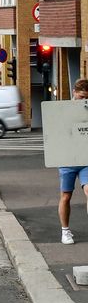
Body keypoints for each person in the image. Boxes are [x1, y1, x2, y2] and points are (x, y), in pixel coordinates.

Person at [58, 79, 88, 245]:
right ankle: (65, 231)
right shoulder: (63, 110)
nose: (83, 100)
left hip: (85, 158)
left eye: (87, 98)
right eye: (81, 96)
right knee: (66, 196)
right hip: (67, 158)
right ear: (74, 93)